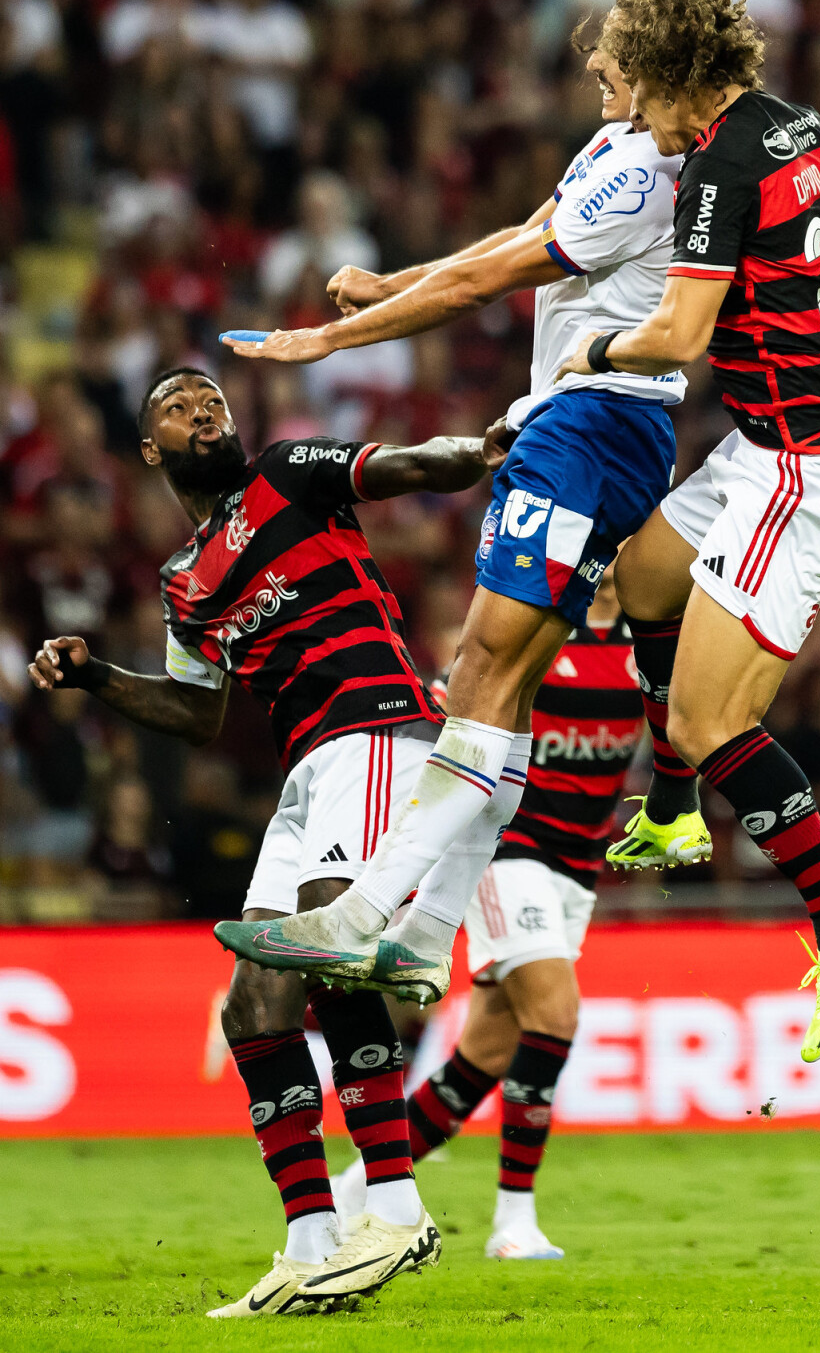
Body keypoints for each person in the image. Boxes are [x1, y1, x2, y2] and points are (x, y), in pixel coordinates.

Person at [212, 17, 709, 993]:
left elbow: (493, 277)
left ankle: (362, 912)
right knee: (510, 685)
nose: (591, 68)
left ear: (647, 69)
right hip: (626, 434)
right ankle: (427, 933)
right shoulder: (622, 145)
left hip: (586, 428)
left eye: (606, 56)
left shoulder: (645, 173)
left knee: (481, 665)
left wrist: (325, 343)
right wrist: (399, 281)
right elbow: (521, 234)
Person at [28, 366, 504, 1314]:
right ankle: (311, 1240)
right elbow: (199, 712)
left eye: (214, 399)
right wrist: (98, 678)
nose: (206, 411)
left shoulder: (289, 475)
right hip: (305, 771)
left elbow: (402, 466)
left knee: (330, 941)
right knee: (253, 1007)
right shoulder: (182, 585)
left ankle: (397, 1205)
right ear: (151, 449)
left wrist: (474, 453)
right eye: (179, 406)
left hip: (374, 727)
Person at [556, 0, 820, 1063]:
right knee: (639, 581)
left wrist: (595, 351)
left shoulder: (721, 163)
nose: (625, 117)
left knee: (713, 726)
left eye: (630, 90)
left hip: (806, 466)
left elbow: (680, 332)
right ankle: (671, 810)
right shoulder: (797, 123)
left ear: (670, 77)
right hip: (772, 440)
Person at [333, 566, 641, 1261]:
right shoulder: (539, 623)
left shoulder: (648, 636)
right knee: (556, 1014)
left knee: (486, 1055)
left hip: (577, 863)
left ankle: (358, 1188)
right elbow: (458, 703)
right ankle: (514, 1222)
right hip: (508, 848)